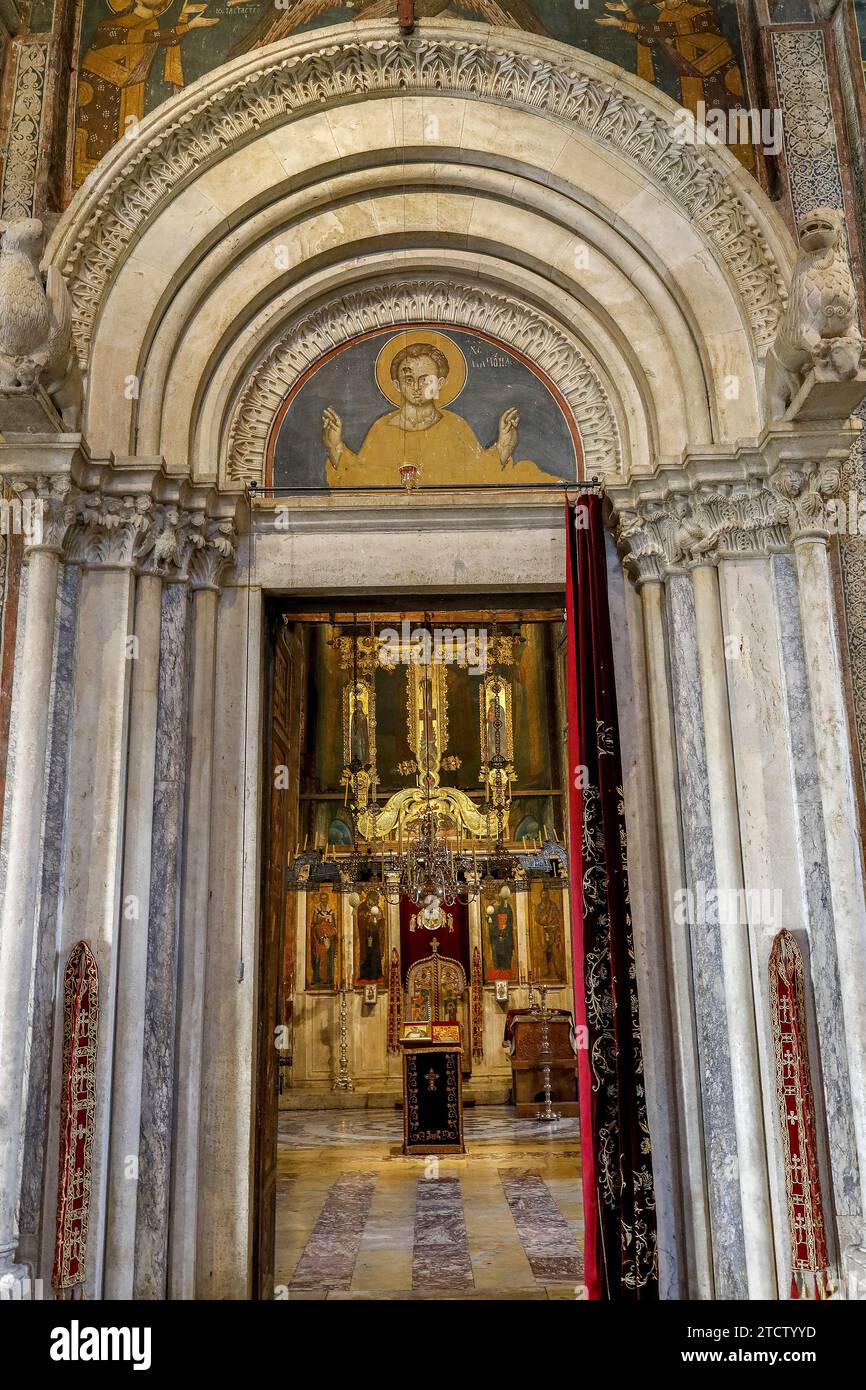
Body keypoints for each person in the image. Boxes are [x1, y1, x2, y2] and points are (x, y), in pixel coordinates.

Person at [322, 341, 560, 487]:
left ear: (440, 383)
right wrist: (336, 447)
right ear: (396, 385)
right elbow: (360, 481)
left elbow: (478, 477)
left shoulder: (455, 426)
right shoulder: (381, 430)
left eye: (425, 379)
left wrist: (503, 447)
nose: (417, 387)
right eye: (409, 379)